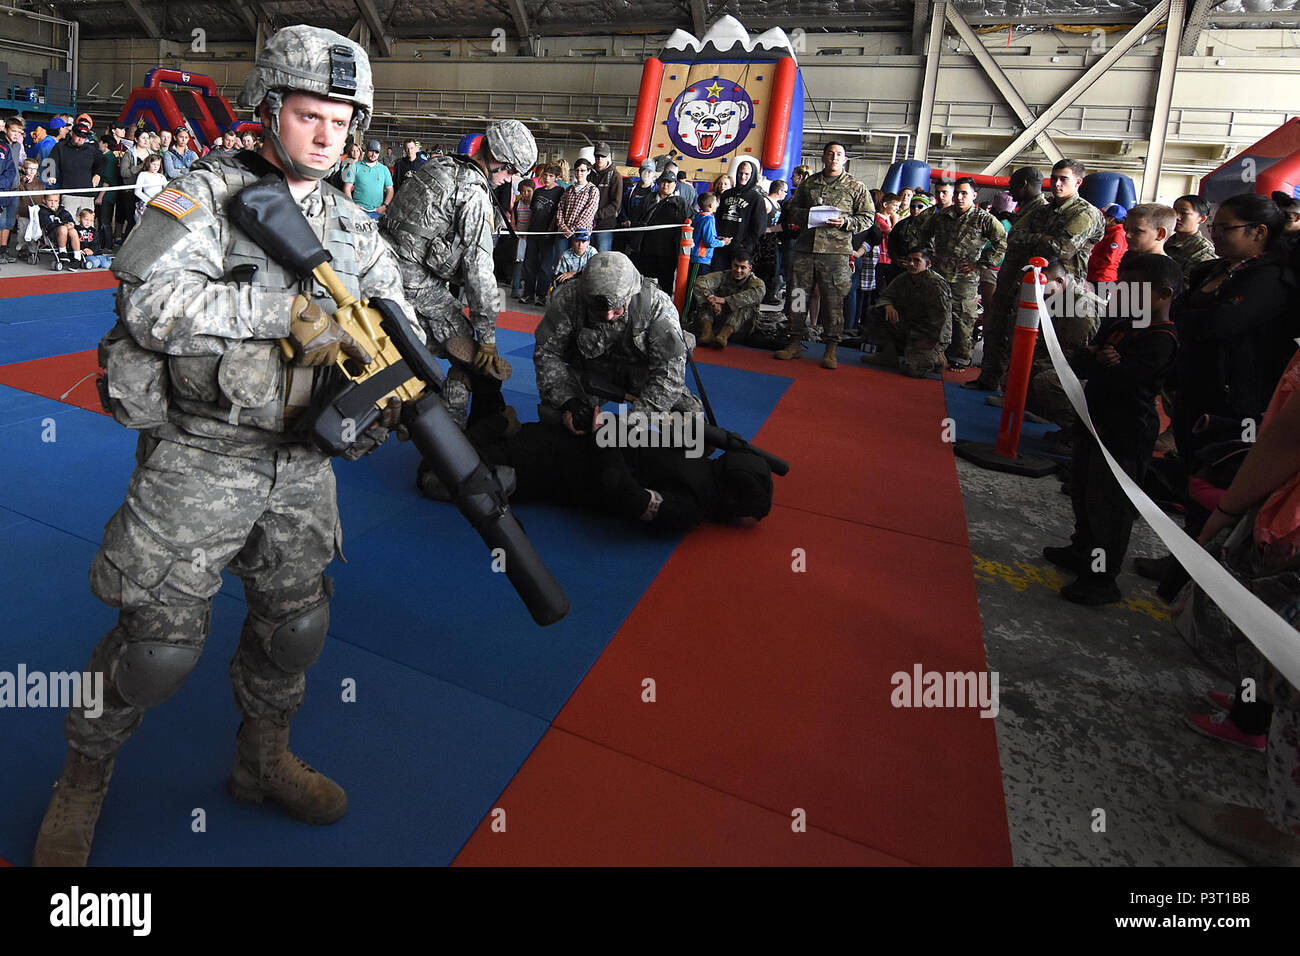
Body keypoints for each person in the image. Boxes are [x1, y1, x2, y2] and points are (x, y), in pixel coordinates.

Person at [30, 24, 420, 867]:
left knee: (295, 626)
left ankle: (261, 760)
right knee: (156, 648)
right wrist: (280, 315)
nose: (327, 134)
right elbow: (148, 304)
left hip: (305, 457)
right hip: (201, 457)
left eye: (342, 121)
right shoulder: (205, 197)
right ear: (270, 108)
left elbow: (398, 321)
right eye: (312, 114)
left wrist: (405, 373)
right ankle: (82, 780)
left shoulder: (355, 227)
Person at [1042, 254, 1181, 604]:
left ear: (1163, 295)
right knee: (1084, 491)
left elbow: (1134, 379)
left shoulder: (1162, 337)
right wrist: (1098, 358)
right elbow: (1083, 359)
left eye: (1133, 288)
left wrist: (1108, 363)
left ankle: (1102, 578)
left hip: (1126, 430)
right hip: (1095, 420)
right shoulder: (1121, 324)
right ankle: (1081, 550)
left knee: (1111, 506)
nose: (1123, 293)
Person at [382, 118, 537, 430]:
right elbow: (480, 273)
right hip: (412, 281)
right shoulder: (474, 195)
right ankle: (449, 434)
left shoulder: (438, 166)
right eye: (510, 170)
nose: (509, 180)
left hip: (379, 266)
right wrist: (488, 339)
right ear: (496, 160)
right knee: (472, 354)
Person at [967, 159, 1103, 391]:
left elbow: (1062, 248)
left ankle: (1033, 396)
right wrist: (1044, 239)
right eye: (1055, 178)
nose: (1057, 184)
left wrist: (1039, 239)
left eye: (1064, 179)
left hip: (1060, 287)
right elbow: (1014, 236)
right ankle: (1005, 385)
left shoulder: (1085, 213)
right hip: (1027, 281)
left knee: (1047, 343)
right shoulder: (1043, 209)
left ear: (1078, 182)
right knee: (1014, 333)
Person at [533, 251, 702, 437]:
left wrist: (629, 424)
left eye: (617, 309)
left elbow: (670, 376)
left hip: (645, 377)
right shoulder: (569, 298)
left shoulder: (658, 306)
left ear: (631, 293)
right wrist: (568, 400)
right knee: (555, 414)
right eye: (599, 310)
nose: (607, 316)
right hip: (594, 373)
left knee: (694, 428)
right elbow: (547, 353)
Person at [776, 142, 875, 369]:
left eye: (839, 154)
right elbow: (792, 209)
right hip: (806, 249)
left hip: (836, 253)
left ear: (845, 159)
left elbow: (868, 216)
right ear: (823, 157)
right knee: (799, 295)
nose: (834, 158)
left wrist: (846, 222)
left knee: (833, 300)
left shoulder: (855, 186)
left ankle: (831, 347)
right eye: (830, 154)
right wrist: (808, 215)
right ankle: (795, 341)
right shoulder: (809, 183)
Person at [922, 176, 1006, 369]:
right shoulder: (943, 215)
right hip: (940, 273)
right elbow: (924, 233)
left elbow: (1001, 242)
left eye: (964, 193)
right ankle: (934, 351)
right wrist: (929, 254)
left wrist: (980, 264)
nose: (960, 197)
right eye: (957, 193)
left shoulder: (983, 218)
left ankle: (960, 357)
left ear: (974, 195)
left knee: (962, 316)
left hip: (965, 277)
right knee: (936, 312)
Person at [861, 246, 951, 378]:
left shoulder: (936, 285)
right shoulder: (903, 278)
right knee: (875, 311)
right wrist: (888, 305)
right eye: (908, 260)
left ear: (928, 264)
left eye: (916, 261)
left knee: (912, 371)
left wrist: (931, 343)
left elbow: (940, 321)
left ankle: (937, 357)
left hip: (929, 333)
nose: (911, 264)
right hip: (908, 325)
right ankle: (888, 355)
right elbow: (885, 296)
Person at [633, 168, 691, 294]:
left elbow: (687, 222)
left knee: (665, 285)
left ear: (675, 184)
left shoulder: (681, 203)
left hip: (668, 252)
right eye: (663, 182)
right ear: (658, 183)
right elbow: (637, 217)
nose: (666, 185)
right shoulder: (649, 198)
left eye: (669, 182)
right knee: (644, 283)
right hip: (647, 249)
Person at [693, 250, 765, 349]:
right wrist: (711, 300)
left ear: (750, 268)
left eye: (743, 267)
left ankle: (723, 336)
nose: (738, 270)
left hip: (740, 328)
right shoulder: (723, 275)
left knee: (746, 305)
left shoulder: (756, 282)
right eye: (736, 266)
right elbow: (700, 282)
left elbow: (757, 294)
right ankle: (707, 333)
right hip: (718, 318)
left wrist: (725, 301)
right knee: (704, 299)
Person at [714, 157, 767, 271]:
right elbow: (718, 217)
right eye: (740, 173)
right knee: (717, 276)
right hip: (721, 244)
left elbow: (759, 227)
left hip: (741, 248)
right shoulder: (727, 194)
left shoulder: (756, 198)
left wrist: (747, 245)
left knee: (736, 280)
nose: (743, 177)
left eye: (746, 174)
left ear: (752, 175)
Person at [523, 163, 564, 305]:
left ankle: (541, 295)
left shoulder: (559, 192)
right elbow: (532, 212)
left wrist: (549, 230)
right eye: (545, 175)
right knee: (529, 264)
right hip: (533, 232)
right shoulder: (538, 192)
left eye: (551, 176)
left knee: (545, 267)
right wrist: (527, 231)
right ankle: (528, 294)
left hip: (548, 234)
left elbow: (557, 214)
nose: (547, 178)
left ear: (556, 177)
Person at [1167, 194, 1218, 278]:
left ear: (1201, 219)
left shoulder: (1203, 250)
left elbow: (1189, 287)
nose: (1177, 217)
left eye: (1184, 213)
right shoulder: (1164, 240)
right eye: (1174, 212)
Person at [342, 139, 393, 219]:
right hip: (358, 211)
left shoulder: (384, 169)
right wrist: (352, 205)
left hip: (377, 212)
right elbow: (347, 187)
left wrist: (385, 206)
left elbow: (390, 189)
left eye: (376, 152)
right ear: (366, 151)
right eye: (371, 151)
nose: (373, 154)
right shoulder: (355, 167)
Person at [589, 140, 623, 253]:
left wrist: (595, 215)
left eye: (602, 156)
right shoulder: (589, 174)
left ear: (608, 156)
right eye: (597, 156)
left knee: (603, 258)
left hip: (605, 226)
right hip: (587, 224)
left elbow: (615, 204)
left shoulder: (615, 176)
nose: (599, 159)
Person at [37, 192, 83, 266]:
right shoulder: (43, 211)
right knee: (63, 228)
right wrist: (63, 225)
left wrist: (71, 224)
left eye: (55, 201)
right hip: (52, 235)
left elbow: (69, 219)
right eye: (50, 200)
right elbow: (47, 225)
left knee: (73, 230)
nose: (53, 203)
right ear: (44, 201)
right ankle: (62, 252)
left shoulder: (62, 211)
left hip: (67, 236)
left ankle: (77, 257)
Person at [1087, 203, 1128, 284]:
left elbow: (1108, 260)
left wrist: (1087, 260)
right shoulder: (1109, 231)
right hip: (1095, 276)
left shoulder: (1117, 235)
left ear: (1111, 219)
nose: (1100, 218)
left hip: (1102, 278)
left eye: (1103, 216)